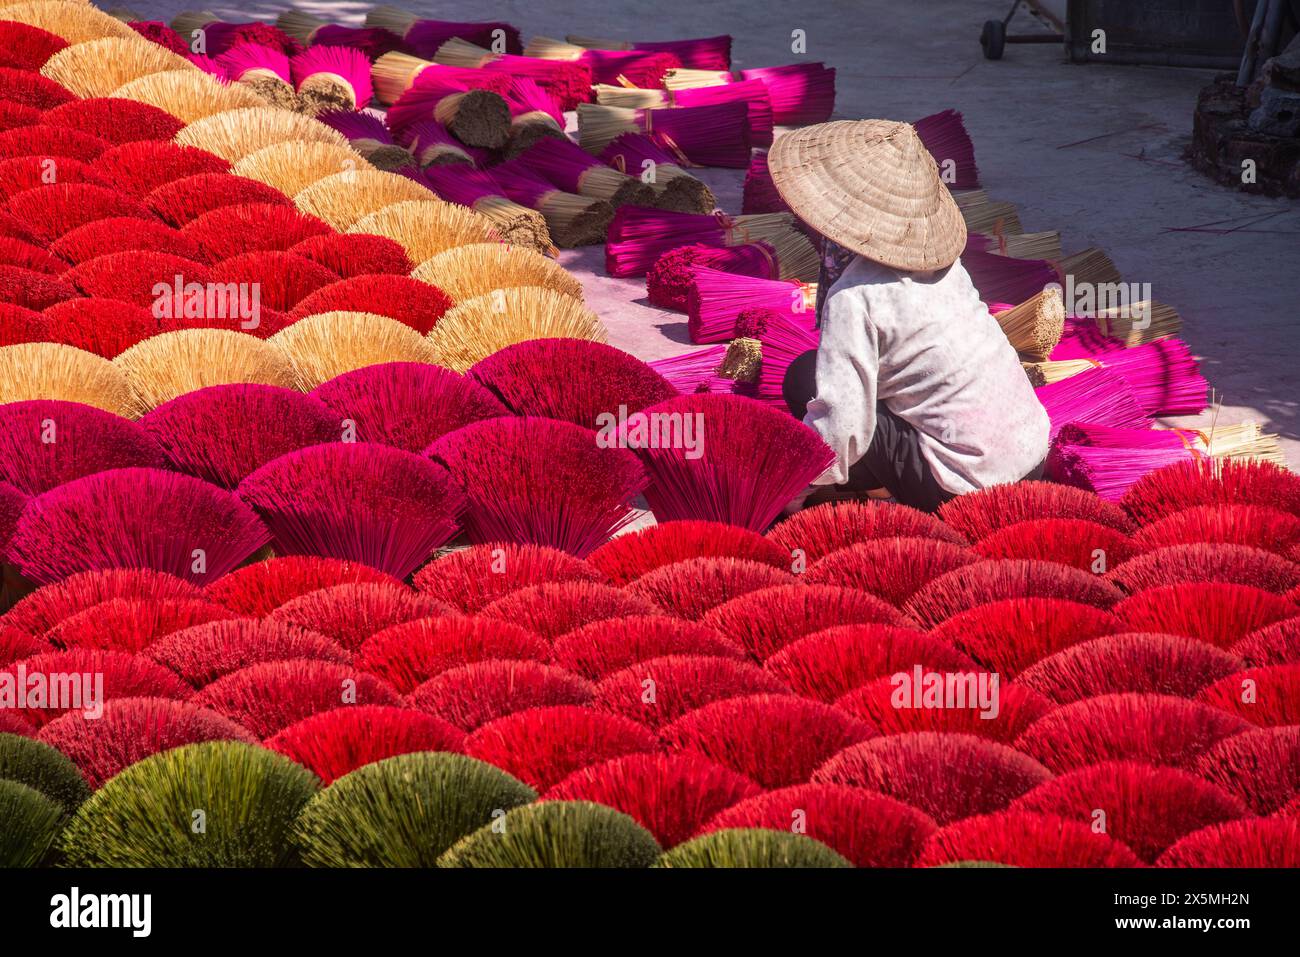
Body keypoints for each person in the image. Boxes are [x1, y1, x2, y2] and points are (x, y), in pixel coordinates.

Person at [767, 119, 1050, 513]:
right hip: (1031, 457)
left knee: (805, 383)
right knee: (809, 370)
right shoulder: (944, 263)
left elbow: (843, 429)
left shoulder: (855, 296)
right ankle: (878, 483)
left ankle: (887, 492)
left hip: (963, 488)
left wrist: (789, 492)